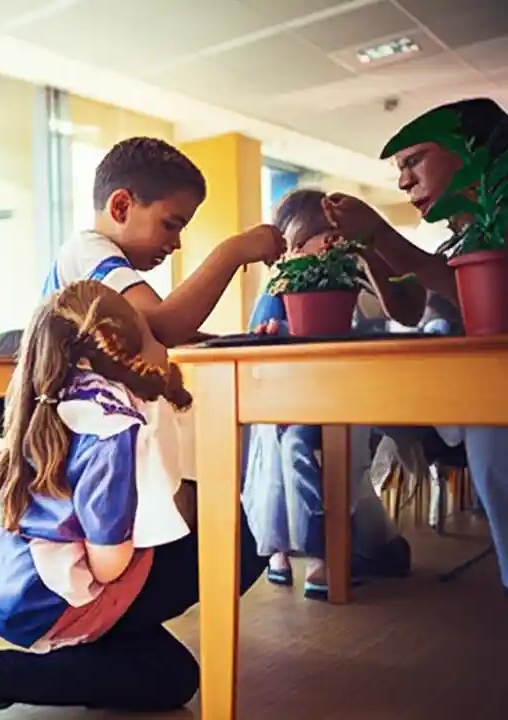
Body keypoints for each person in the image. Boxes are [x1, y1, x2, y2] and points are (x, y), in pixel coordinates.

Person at [0, 281, 267, 719]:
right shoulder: (111, 424)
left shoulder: (45, 396)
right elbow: (108, 565)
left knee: (171, 675)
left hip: (5, 577)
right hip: (52, 598)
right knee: (236, 539)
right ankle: (2, 664)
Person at [324, 97, 508, 597]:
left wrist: (381, 232)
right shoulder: (459, 235)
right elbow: (408, 306)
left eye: (414, 161)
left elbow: (480, 297)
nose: (404, 181)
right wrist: (367, 245)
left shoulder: (497, 225)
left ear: (469, 151)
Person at [243, 189, 419, 598]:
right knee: (283, 441)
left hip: (339, 391)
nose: (332, 246)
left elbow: (383, 325)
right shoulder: (283, 281)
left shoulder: (355, 273)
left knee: (298, 444)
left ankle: (312, 553)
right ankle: (299, 552)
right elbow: (257, 341)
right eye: (320, 238)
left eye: (334, 236)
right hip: (287, 394)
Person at [43, 136, 285, 349]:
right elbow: (162, 329)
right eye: (170, 225)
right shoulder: (88, 251)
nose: (176, 243)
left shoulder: (89, 256)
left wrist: (241, 342)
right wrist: (233, 251)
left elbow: (156, 335)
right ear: (121, 207)